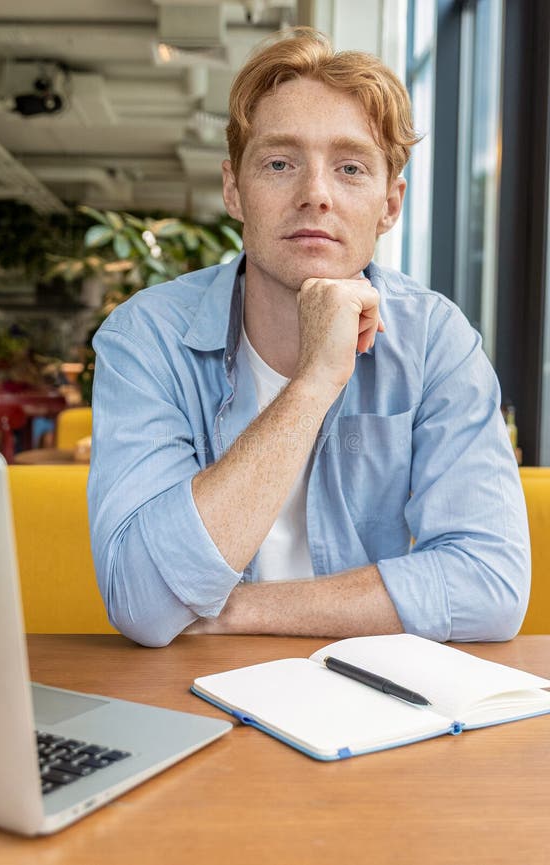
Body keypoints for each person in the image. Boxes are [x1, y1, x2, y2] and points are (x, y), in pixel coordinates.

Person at [87, 28, 530, 648]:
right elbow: (144, 602)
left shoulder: (434, 341)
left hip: (369, 694)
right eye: (279, 163)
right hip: (192, 688)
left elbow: (489, 586)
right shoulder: (147, 338)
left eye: (350, 168)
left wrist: (236, 609)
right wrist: (314, 383)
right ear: (234, 189)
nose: (316, 195)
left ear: (390, 204)